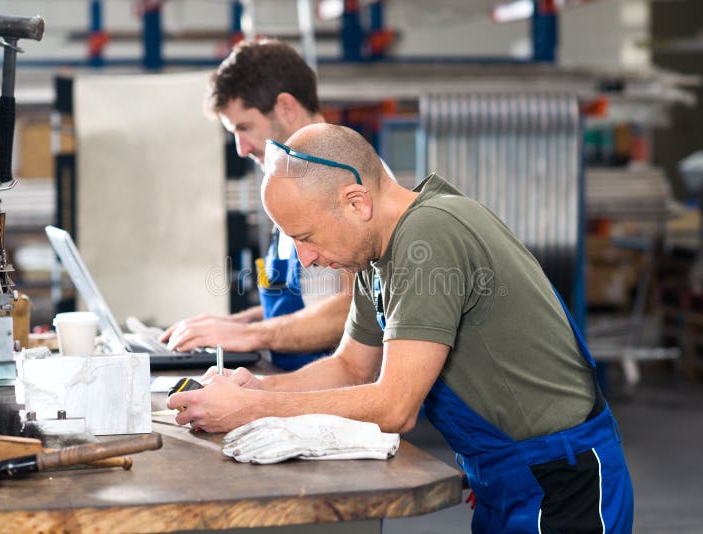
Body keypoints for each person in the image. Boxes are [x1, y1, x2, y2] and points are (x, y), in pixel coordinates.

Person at [167, 123, 635, 533]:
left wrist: (250, 409)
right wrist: (256, 386)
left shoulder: (429, 236)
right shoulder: (378, 258)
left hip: (560, 483)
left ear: (356, 202)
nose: (305, 258)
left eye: (305, 237)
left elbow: (394, 407)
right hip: (506, 477)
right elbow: (351, 367)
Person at [160, 39, 352, 371]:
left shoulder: (347, 178)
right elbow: (305, 300)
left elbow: (353, 311)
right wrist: (235, 325)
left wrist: (253, 337)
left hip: (334, 394)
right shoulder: (294, 180)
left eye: (245, 128)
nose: (240, 148)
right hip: (292, 376)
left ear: (286, 107)